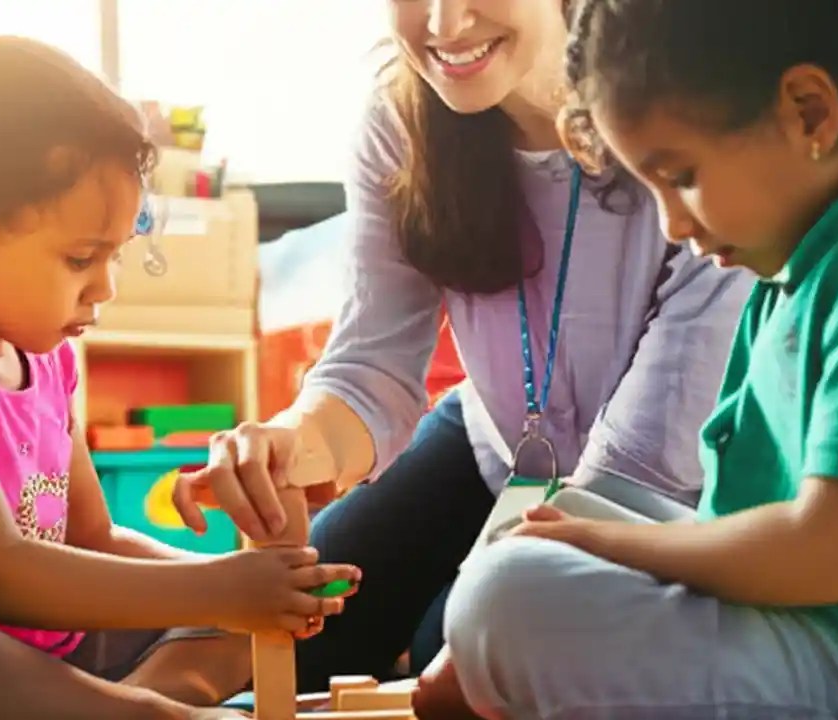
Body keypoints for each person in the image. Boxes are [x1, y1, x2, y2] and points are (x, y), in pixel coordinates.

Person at [430, 0, 838, 718]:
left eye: (682, 176)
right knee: (557, 518)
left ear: (809, 113)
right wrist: (591, 537)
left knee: (506, 596)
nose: (674, 224)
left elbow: (829, 554)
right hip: (822, 626)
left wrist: (611, 547)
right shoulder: (811, 258)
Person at [0, 2, 360, 719]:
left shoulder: (48, 362)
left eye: (114, 256)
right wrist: (216, 589)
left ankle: (142, 706)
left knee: (236, 627)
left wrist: (246, 584)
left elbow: (94, 538)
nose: (105, 287)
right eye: (81, 258)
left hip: (42, 679)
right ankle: (146, 714)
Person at [173, 0, 752, 692]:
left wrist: (489, 606)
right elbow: (368, 370)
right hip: (498, 443)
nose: (445, 25)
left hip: (670, 494)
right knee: (297, 619)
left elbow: (646, 460)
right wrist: (291, 444)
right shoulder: (401, 123)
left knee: (454, 651)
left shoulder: (698, 117)